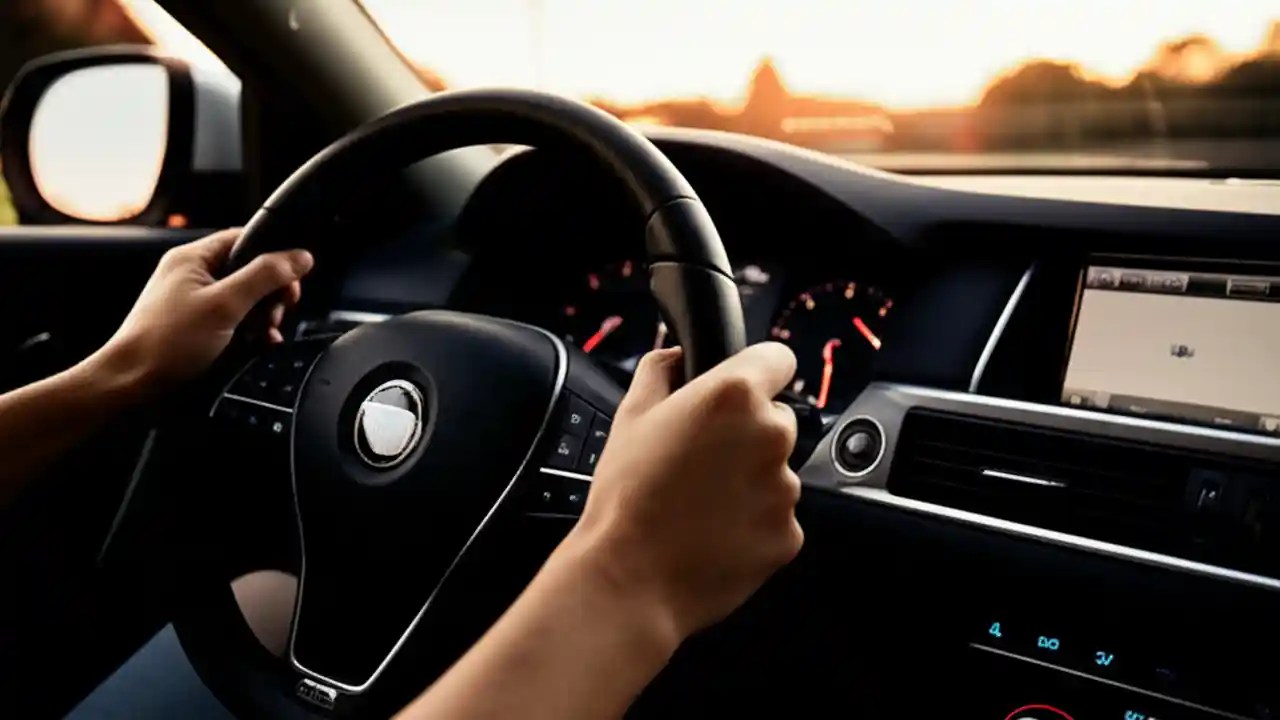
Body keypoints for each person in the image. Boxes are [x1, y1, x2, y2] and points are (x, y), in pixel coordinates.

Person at [2, 229, 803, 719]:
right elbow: (634, 570)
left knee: (266, 600)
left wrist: (123, 371)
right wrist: (633, 572)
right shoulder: (639, 564)